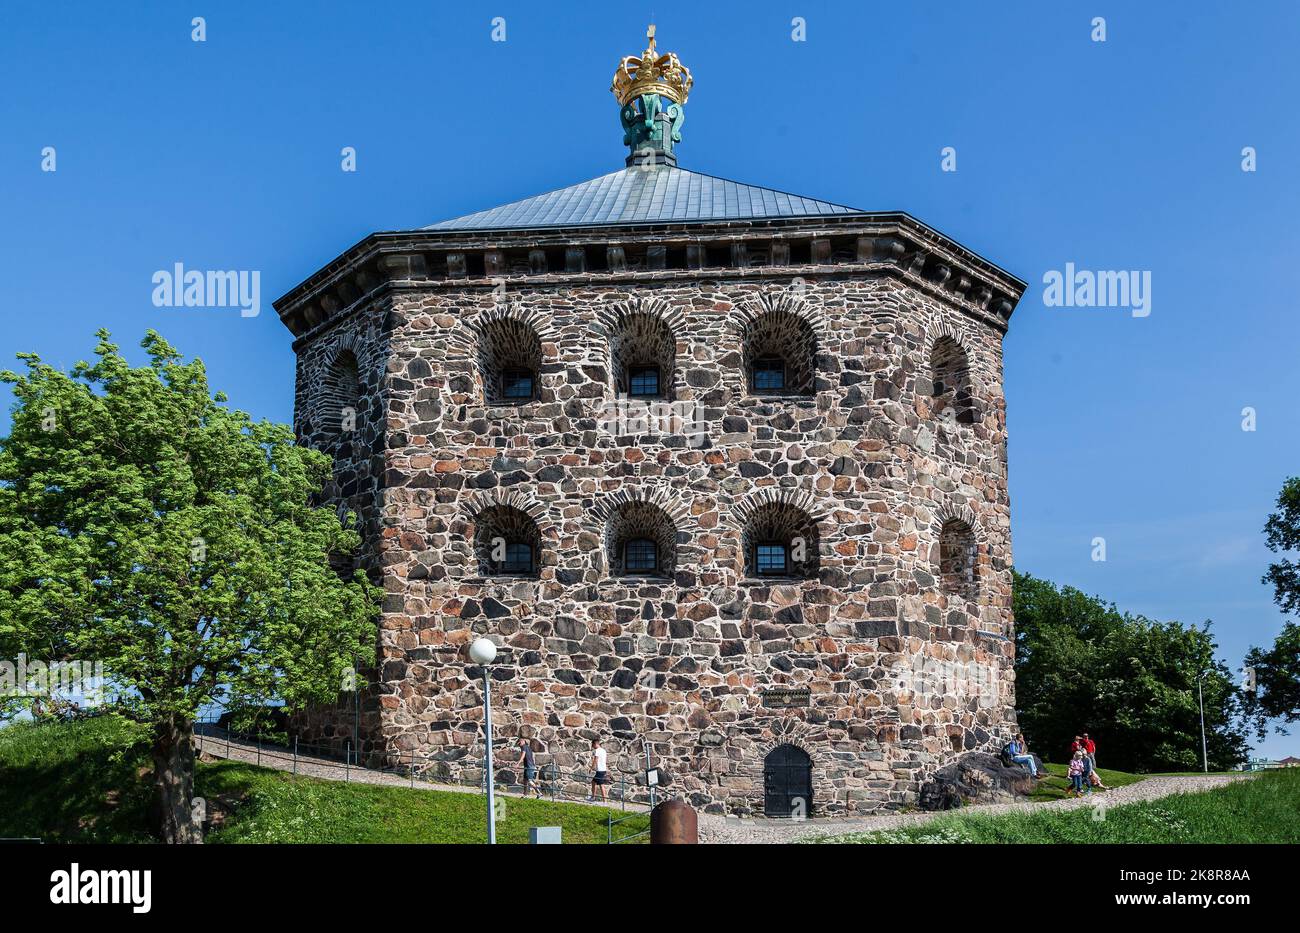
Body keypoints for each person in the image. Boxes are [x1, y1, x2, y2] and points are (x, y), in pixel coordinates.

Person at [588, 738, 610, 802]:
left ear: (595, 744)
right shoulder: (603, 750)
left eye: (592, 745)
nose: (592, 746)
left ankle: (604, 801)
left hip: (600, 770)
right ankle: (593, 797)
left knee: (601, 785)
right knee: (593, 782)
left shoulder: (597, 751)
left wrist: (591, 768)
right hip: (603, 770)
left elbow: (595, 760)